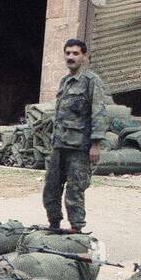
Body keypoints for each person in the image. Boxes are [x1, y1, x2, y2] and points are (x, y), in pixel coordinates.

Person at [42, 39, 108, 233]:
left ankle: (76, 229)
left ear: (84, 56)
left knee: (75, 190)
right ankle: (54, 224)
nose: (70, 57)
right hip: (60, 144)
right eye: (68, 53)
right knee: (51, 188)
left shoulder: (91, 81)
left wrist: (95, 144)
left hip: (80, 147)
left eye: (75, 53)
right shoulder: (64, 81)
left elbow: (98, 112)